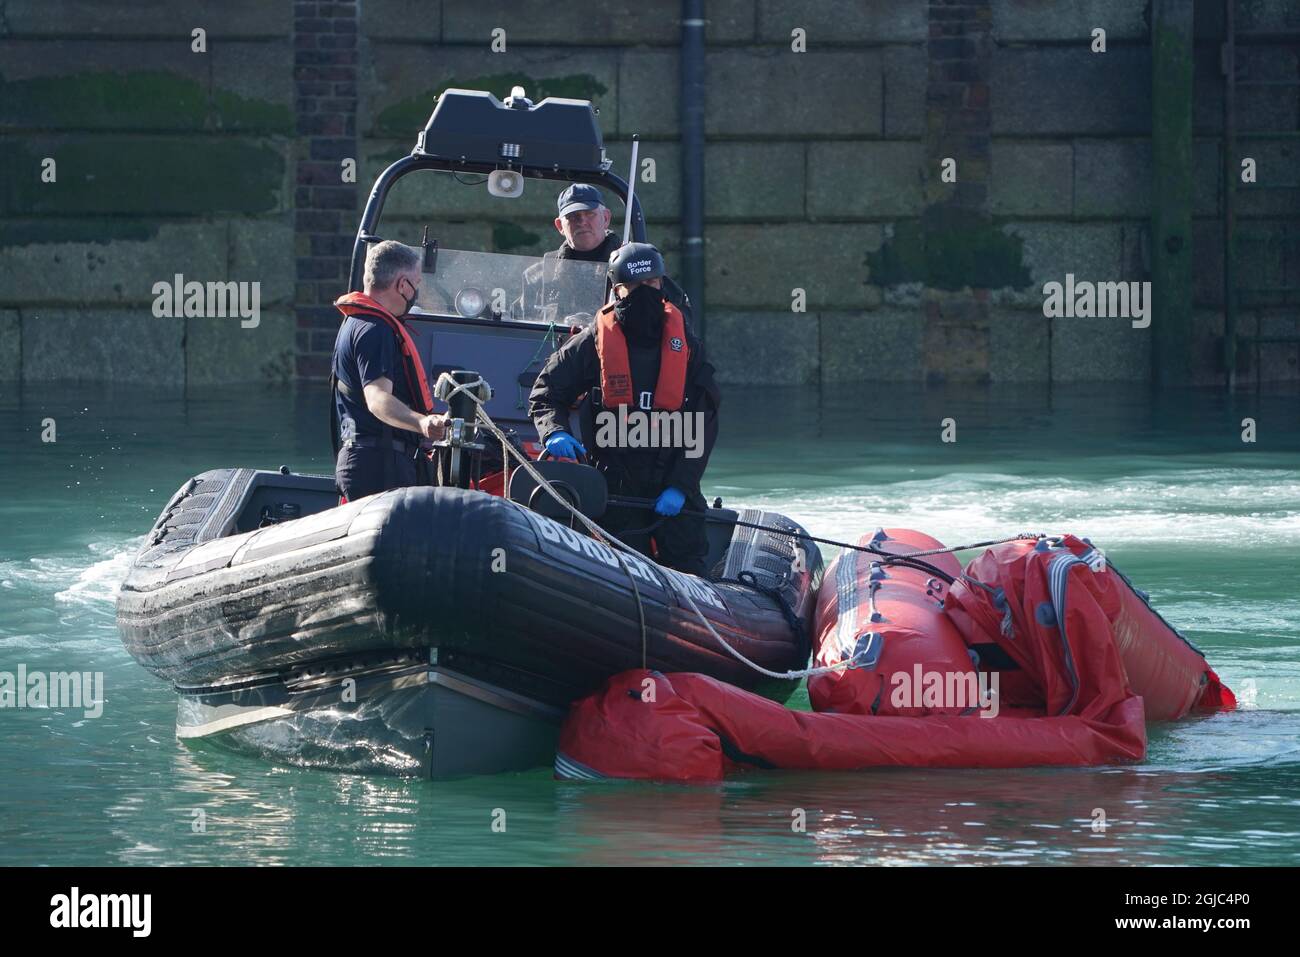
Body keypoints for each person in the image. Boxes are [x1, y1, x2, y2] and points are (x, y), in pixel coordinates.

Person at [528, 242, 720, 575]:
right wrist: (554, 431)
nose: (645, 293)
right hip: (614, 485)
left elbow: (706, 418)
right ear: (618, 290)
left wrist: (681, 484)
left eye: (651, 284)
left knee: (688, 560)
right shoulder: (593, 342)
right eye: (635, 286)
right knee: (618, 570)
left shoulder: (686, 345)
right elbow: (546, 392)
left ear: (661, 284)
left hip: (674, 479)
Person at [330, 240, 447, 501]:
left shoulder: (357, 323)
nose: (416, 292)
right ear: (402, 285)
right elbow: (377, 400)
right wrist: (423, 423)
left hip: (368, 460)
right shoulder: (375, 330)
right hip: (379, 466)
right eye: (416, 284)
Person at [519, 184, 694, 323]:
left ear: (606, 218)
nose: (582, 222)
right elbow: (519, 327)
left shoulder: (636, 266)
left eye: (589, 214)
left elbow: (679, 318)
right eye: (573, 217)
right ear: (559, 226)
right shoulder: (538, 277)